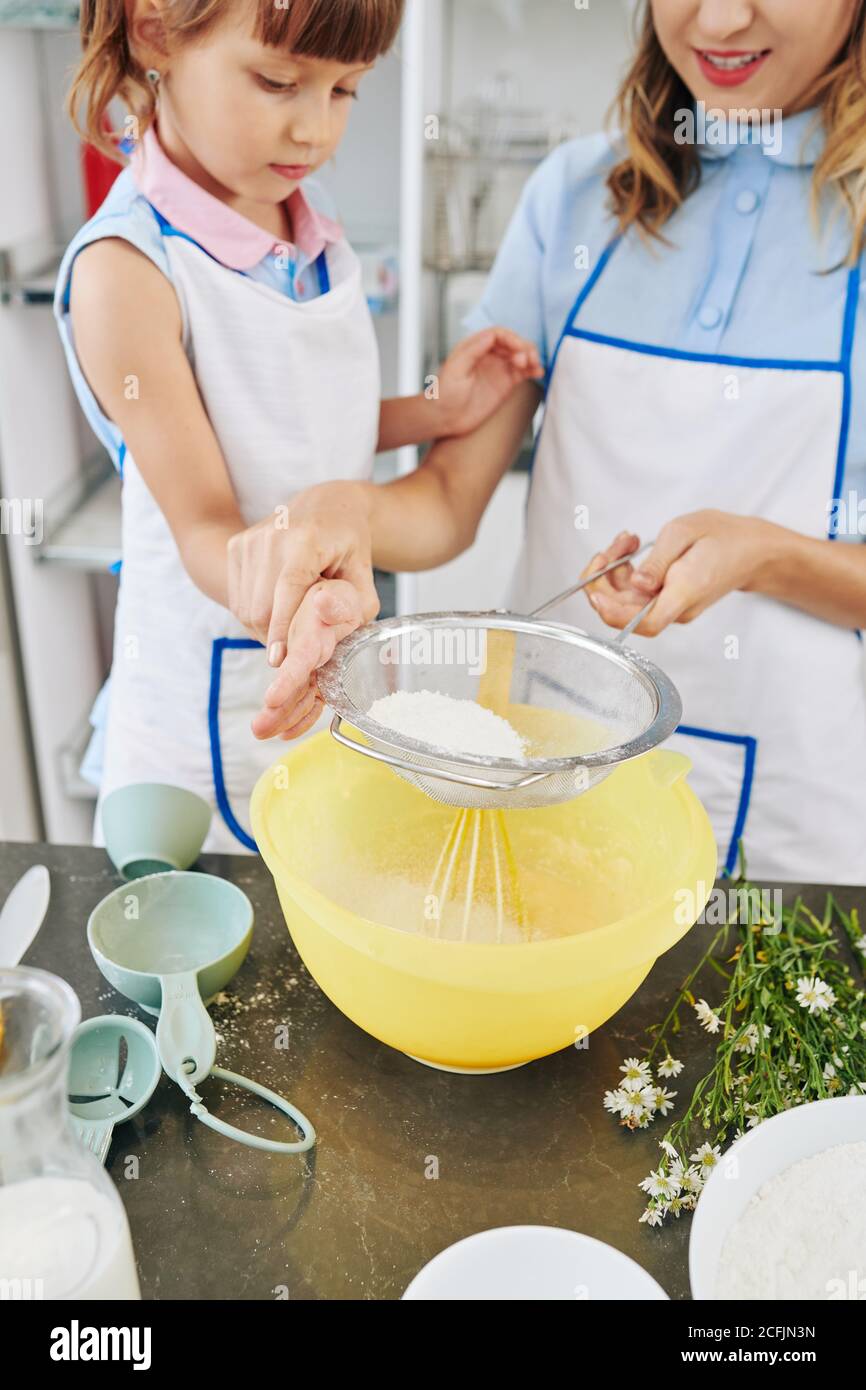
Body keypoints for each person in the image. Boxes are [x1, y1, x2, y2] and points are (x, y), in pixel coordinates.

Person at [236, 0, 866, 884]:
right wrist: (346, 514)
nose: (721, 19)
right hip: (547, 765)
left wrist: (764, 555)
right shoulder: (574, 198)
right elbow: (449, 500)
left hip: (793, 824)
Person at [54, 0, 542, 852]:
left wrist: (435, 411)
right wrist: (302, 596)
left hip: (324, 664)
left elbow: (288, 419)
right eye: (278, 82)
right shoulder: (127, 273)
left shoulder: (296, 218)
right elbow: (209, 528)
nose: (316, 130)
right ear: (154, 30)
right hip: (208, 716)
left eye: (346, 90)